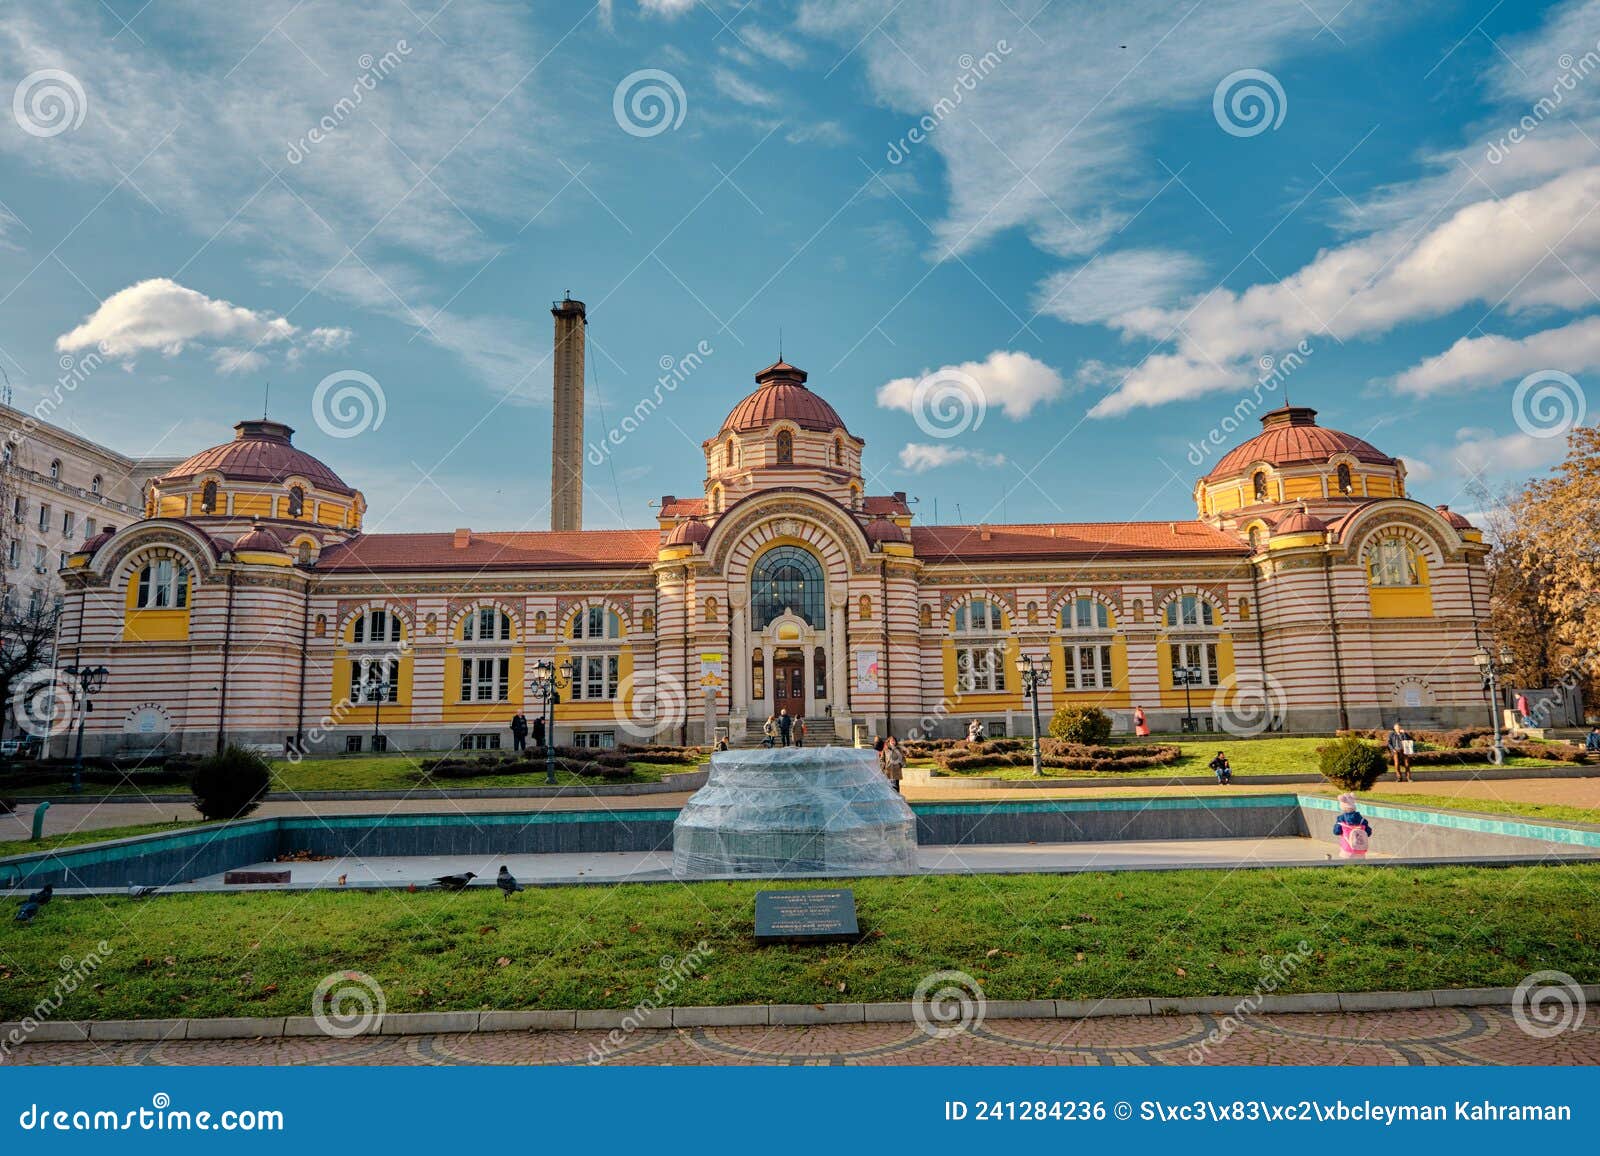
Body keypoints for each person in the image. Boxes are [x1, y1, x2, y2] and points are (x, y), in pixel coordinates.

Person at [1333, 793, 1373, 859]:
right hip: (1360, 849)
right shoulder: (1362, 820)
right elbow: (1368, 833)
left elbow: (1336, 832)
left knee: (1348, 867)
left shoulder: (1341, 819)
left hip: (1346, 849)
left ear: (1343, 807)